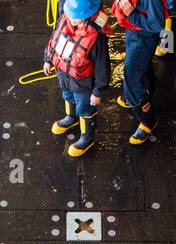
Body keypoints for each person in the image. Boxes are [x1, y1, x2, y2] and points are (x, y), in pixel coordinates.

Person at [44, 0, 111, 158]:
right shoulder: (64, 20)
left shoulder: (97, 39)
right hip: (64, 75)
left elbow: (103, 68)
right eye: (70, 16)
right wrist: (47, 60)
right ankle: (71, 117)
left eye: (77, 18)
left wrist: (97, 92)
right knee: (67, 96)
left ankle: (87, 137)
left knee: (85, 107)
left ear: (88, 15)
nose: (72, 21)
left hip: (83, 83)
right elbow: (52, 41)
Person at [111, 0, 169, 145]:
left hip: (143, 35)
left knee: (131, 79)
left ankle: (148, 121)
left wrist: (131, 15)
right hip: (133, 30)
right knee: (142, 66)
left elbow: (157, 24)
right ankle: (147, 91)